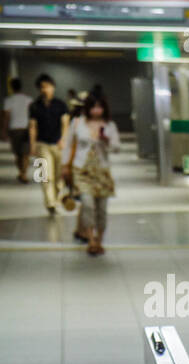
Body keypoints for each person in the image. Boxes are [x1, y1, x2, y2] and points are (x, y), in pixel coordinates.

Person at [62, 92, 118, 256]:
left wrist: (107, 141)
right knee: (87, 204)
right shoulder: (78, 123)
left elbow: (116, 147)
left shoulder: (109, 125)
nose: (96, 110)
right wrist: (65, 165)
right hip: (82, 169)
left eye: (99, 107)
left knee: (101, 208)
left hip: (102, 170)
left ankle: (99, 240)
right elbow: (68, 144)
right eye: (93, 106)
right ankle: (90, 239)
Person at [28, 74, 70, 214]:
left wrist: (64, 139)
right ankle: (50, 203)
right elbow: (32, 126)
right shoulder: (34, 106)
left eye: (47, 86)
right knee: (45, 175)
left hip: (58, 144)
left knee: (59, 177)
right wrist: (32, 145)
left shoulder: (61, 104)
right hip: (42, 144)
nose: (45, 89)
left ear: (53, 87)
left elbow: (65, 123)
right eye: (42, 87)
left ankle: (56, 198)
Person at [5, 78, 33, 183]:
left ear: (12, 87)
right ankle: (24, 174)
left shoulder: (9, 100)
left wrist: (4, 130)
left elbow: (7, 116)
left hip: (14, 128)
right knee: (25, 154)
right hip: (26, 128)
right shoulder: (28, 99)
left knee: (18, 154)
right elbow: (32, 115)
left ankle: (22, 172)